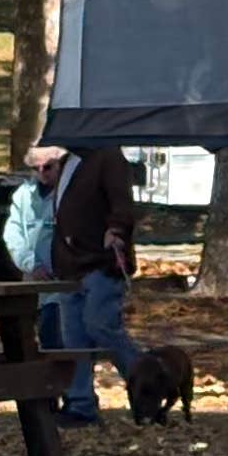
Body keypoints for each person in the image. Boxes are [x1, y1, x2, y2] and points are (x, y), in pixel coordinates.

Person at [37, 138, 141, 422]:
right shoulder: (70, 160)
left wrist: (117, 230)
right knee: (74, 339)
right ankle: (80, 404)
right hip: (71, 266)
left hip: (100, 261)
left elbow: (122, 201)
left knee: (101, 326)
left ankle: (146, 379)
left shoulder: (107, 156)